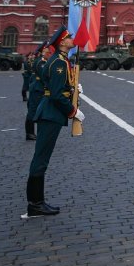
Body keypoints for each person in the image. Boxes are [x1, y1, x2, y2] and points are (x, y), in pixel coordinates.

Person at [25, 27, 83, 217]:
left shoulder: (62, 60)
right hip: (51, 114)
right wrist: (73, 111)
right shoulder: (58, 63)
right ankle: (35, 204)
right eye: (69, 37)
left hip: (50, 113)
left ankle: (37, 202)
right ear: (62, 43)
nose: (72, 39)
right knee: (41, 159)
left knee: (42, 158)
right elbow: (57, 95)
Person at [23, 43, 49, 140]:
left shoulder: (40, 61)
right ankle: (29, 133)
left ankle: (31, 132)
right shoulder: (41, 62)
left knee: (35, 110)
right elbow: (44, 76)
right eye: (47, 52)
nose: (49, 54)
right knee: (33, 110)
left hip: (37, 87)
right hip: (38, 89)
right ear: (42, 53)